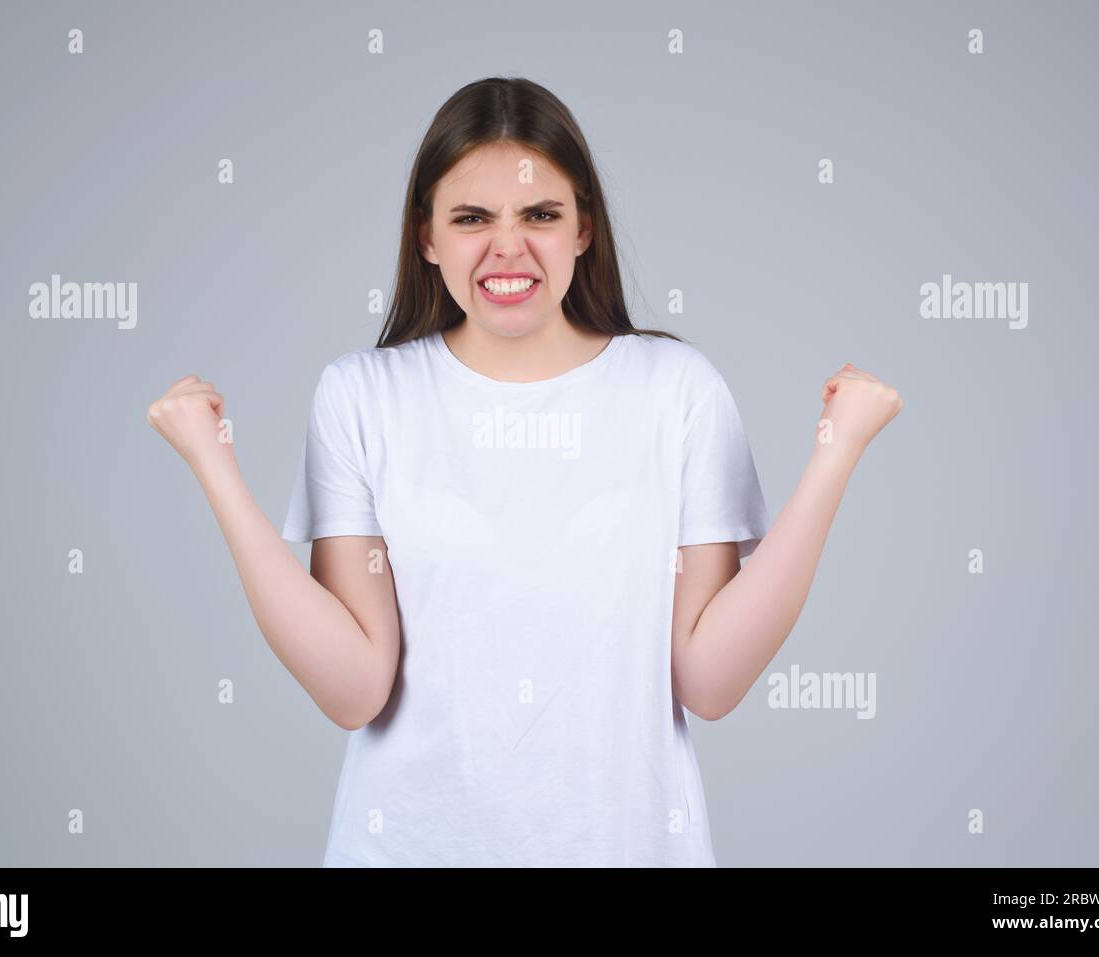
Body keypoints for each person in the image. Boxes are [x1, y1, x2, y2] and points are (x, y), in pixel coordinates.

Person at [146, 76, 903, 867]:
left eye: (540, 214)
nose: (508, 247)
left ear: (583, 227)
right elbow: (354, 687)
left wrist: (837, 450)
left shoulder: (676, 390)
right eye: (472, 218)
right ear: (427, 237)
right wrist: (215, 467)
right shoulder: (361, 396)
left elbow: (709, 679)